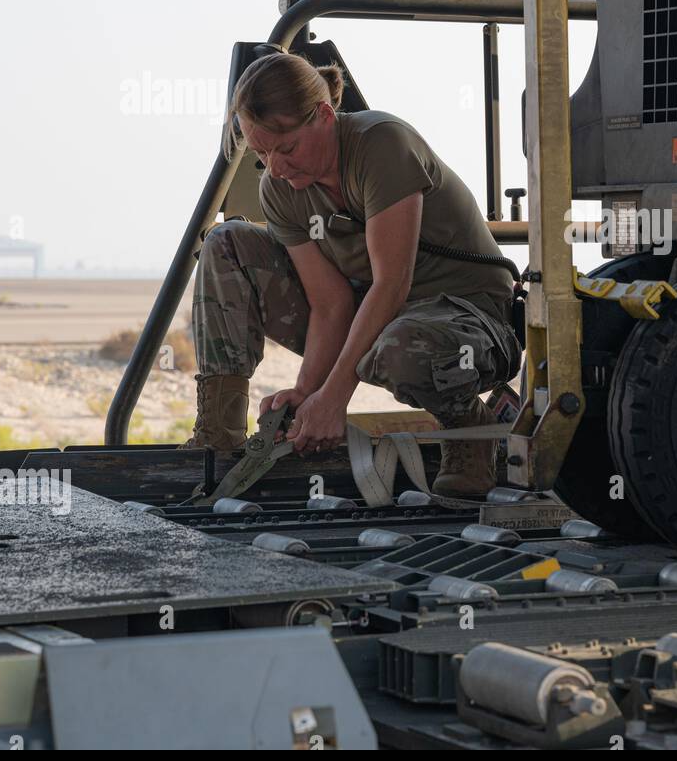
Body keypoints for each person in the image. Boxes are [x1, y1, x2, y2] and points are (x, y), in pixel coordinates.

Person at [183, 50, 521, 498]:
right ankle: (218, 439)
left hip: (467, 321)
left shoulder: (382, 144)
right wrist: (308, 394)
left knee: (402, 348)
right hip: (374, 319)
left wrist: (335, 398)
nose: (278, 168)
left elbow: (391, 284)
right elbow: (331, 303)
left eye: (286, 148)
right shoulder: (281, 190)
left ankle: (470, 431)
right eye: (262, 154)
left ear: (324, 116)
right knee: (227, 242)